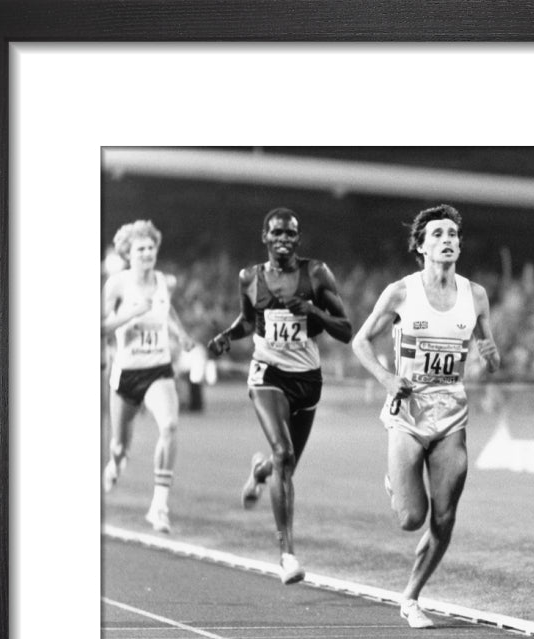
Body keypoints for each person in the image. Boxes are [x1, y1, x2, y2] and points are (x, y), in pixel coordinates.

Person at [351, 204, 500, 628]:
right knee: (410, 519)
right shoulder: (401, 292)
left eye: (453, 233)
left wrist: (491, 355)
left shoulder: (476, 296)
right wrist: (385, 378)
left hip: (452, 413)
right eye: (437, 234)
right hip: (409, 411)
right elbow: (361, 342)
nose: (447, 240)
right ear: (421, 246)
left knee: (445, 517)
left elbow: (492, 357)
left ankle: (412, 597)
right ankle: (396, 483)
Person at [207, 207, 352, 584]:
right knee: (285, 455)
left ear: (297, 239)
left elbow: (346, 329)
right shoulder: (249, 278)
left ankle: (261, 471)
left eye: (291, 233)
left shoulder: (316, 274)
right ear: (265, 237)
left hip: (307, 379)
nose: (284, 239)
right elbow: (248, 323)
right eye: (277, 233)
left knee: (284, 464)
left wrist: (312, 311)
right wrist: (226, 336)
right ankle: (287, 554)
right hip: (267, 374)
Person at [101, 220, 195, 533]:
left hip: (158, 370)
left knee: (169, 426)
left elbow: (167, 310)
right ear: (128, 252)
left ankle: (159, 507)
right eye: (141, 248)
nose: (147, 253)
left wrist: (180, 334)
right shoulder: (116, 285)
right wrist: (130, 313)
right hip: (126, 375)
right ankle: (115, 463)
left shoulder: (161, 281)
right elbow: (100, 328)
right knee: (119, 445)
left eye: (151, 248)